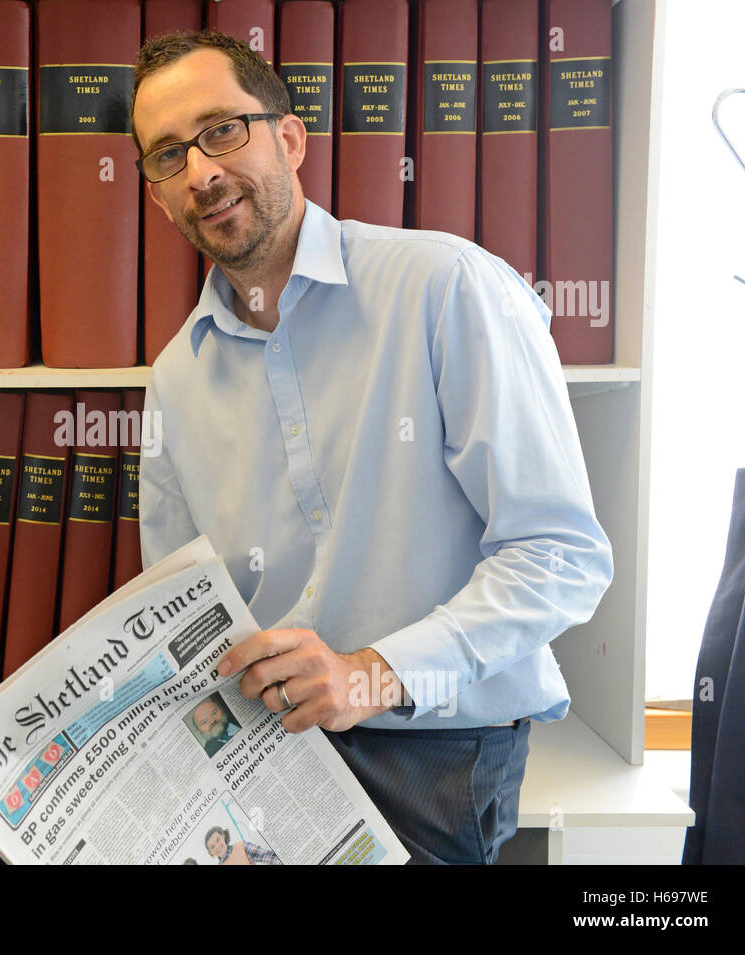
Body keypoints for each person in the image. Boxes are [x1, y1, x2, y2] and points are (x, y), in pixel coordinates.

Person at [133, 31, 612, 864]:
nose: (200, 172)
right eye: (168, 156)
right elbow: (184, 612)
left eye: (221, 131)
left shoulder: (446, 288)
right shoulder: (176, 376)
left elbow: (562, 556)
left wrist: (369, 673)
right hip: (262, 742)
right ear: (158, 199)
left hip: (430, 746)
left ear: (289, 139)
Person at [204, 826, 282, 866]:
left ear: (223, 836)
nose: (217, 846)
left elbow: (270, 857)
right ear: (211, 853)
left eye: (218, 840)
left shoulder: (242, 847)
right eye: (212, 847)